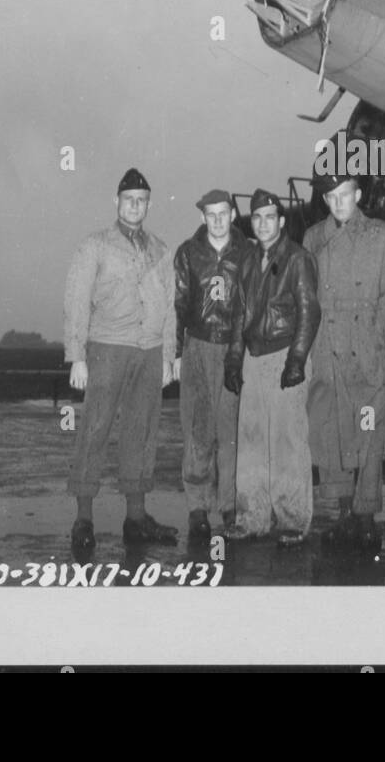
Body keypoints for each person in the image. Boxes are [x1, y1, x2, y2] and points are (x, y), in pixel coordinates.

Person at [63, 168, 178, 558]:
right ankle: (83, 519)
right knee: (94, 429)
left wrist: (168, 356)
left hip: (148, 352)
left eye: (141, 200)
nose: (134, 205)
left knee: (141, 432)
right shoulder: (94, 246)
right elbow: (77, 301)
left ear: (149, 204)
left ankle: (136, 517)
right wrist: (77, 356)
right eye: (128, 199)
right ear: (117, 202)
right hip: (107, 348)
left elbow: (171, 309)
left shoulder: (162, 251)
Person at [303, 174, 385, 555]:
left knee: (367, 428)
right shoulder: (314, 237)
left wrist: (381, 337)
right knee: (333, 430)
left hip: (366, 345)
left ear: (358, 195)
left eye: (345, 194)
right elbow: (308, 294)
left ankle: (365, 515)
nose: (338, 202)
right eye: (331, 196)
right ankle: (344, 511)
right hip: (328, 343)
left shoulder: (380, 234)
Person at [224, 189, 321, 544]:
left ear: (281, 222)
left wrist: (296, 360)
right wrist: (235, 359)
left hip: (284, 355)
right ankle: (251, 518)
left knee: (288, 440)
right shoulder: (248, 261)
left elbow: (310, 312)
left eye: (270, 218)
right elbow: (239, 314)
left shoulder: (297, 258)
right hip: (254, 357)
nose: (264, 224)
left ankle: (293, 519)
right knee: (250, 441)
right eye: (258, 218)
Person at [173, 189, 247, 544]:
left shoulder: (247, 252)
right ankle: (198, 508)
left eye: (223, 213)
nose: (217, 220)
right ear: (203, 217)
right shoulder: (188, 253)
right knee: (198, 428)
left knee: (230, 431)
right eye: (211, 214)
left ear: (233, 214)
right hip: (198, 345)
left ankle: (230, 506)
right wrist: (175, 352)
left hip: (235, 347)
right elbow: (179, 302)